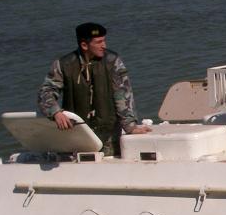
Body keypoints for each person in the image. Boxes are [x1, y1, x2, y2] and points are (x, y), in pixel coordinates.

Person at [38, 22, 150, 155]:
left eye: (104, 40)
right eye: (99, 42)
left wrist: (130, 126)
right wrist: (55, 112)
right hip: (76, 137)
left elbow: (123, 96)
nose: (104, 45)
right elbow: (46, 92)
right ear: (84, 45)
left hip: (108, 139)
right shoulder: (63, 65)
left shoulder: (113, 62)